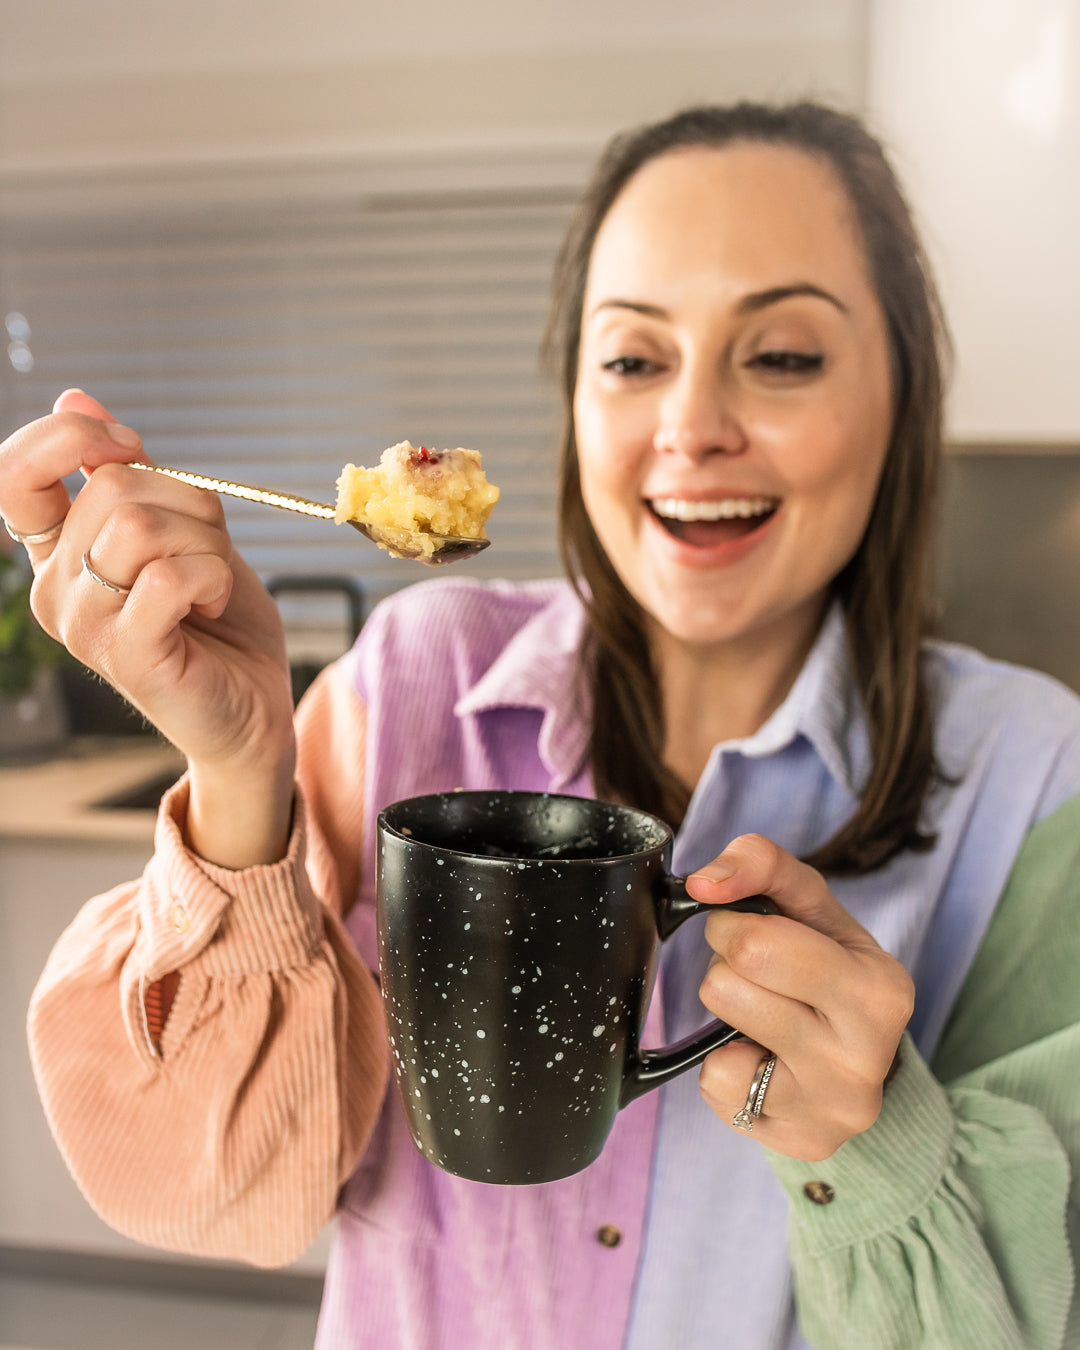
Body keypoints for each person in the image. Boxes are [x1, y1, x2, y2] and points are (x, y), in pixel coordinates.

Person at [2, 100, 1078, 1350]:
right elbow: (225, 1203)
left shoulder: (1033, 781)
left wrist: (878, 1144)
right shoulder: (410, 678)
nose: (690, 427)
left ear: (903, 396)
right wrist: (240, 771)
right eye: (632, 359)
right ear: (574, 399)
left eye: (782, 356)